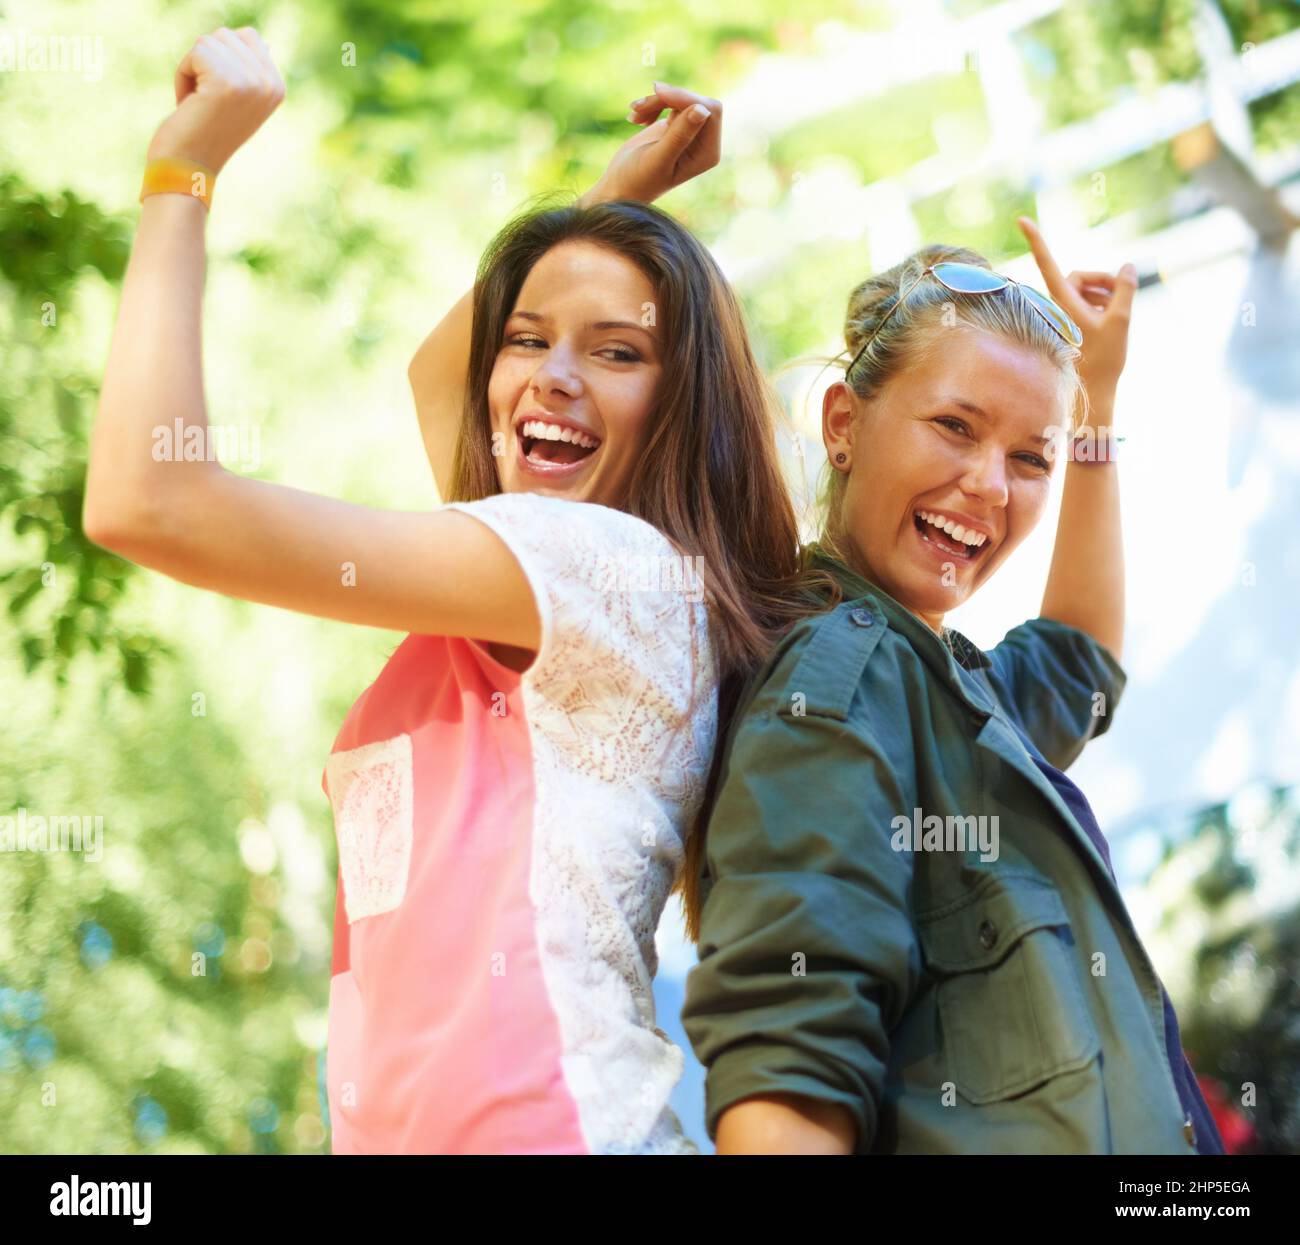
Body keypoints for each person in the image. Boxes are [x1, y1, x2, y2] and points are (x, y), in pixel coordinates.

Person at [83, 27, 830, 1153]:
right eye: (527, 340)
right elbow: (443, 371)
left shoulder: (607, 572)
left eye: (619, 353)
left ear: (686, 409)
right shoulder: (547, 594)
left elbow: (150, 500)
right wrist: (615, 210)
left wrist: (181, 174)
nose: (554, 375)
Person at [679, 224, 1228, 1155]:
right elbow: (788, 1067)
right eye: (955, 427)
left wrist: (1094, 411)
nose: (987, 485)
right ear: (844, 423)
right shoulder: (838, 686)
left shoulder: (941, 676)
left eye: (1030, 458)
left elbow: (1078, 668)